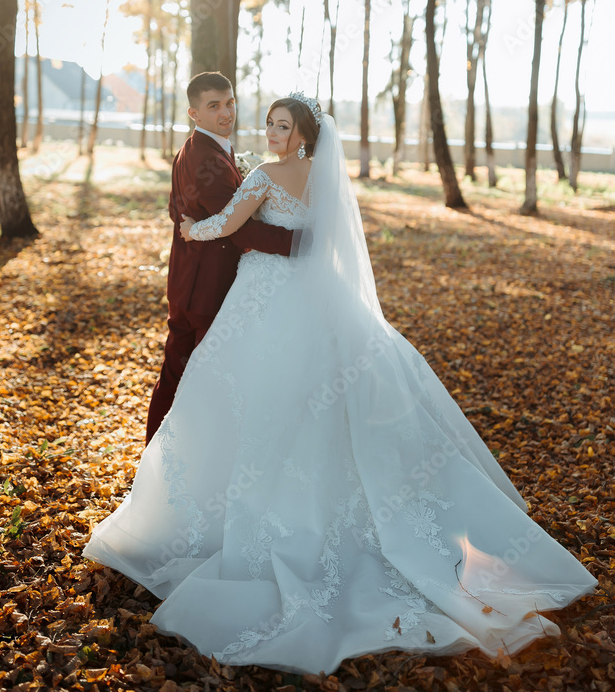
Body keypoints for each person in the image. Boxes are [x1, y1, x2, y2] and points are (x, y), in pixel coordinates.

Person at [83, 93, 596, 676]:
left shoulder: (263, 175)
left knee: (245, 397)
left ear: (301, 135)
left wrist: (190, 230)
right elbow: (320, 243)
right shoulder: (322, 180)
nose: (271, 132)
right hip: (315, 301)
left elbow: (228, 226)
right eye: (270, 124)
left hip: (263, 303)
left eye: (281, 126)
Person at [145, 72, 294, 445]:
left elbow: (175, 211)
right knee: (195, 379)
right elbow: (238, 229)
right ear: (195, 113)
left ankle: (160, 456)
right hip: (204, 289)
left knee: (179, 374)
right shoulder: (204, 155)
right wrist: (298, 242)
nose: (226, 112)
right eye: (214, 106)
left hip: (188, 281)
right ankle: (169, 459)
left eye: (229, 102)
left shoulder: (200, 147)